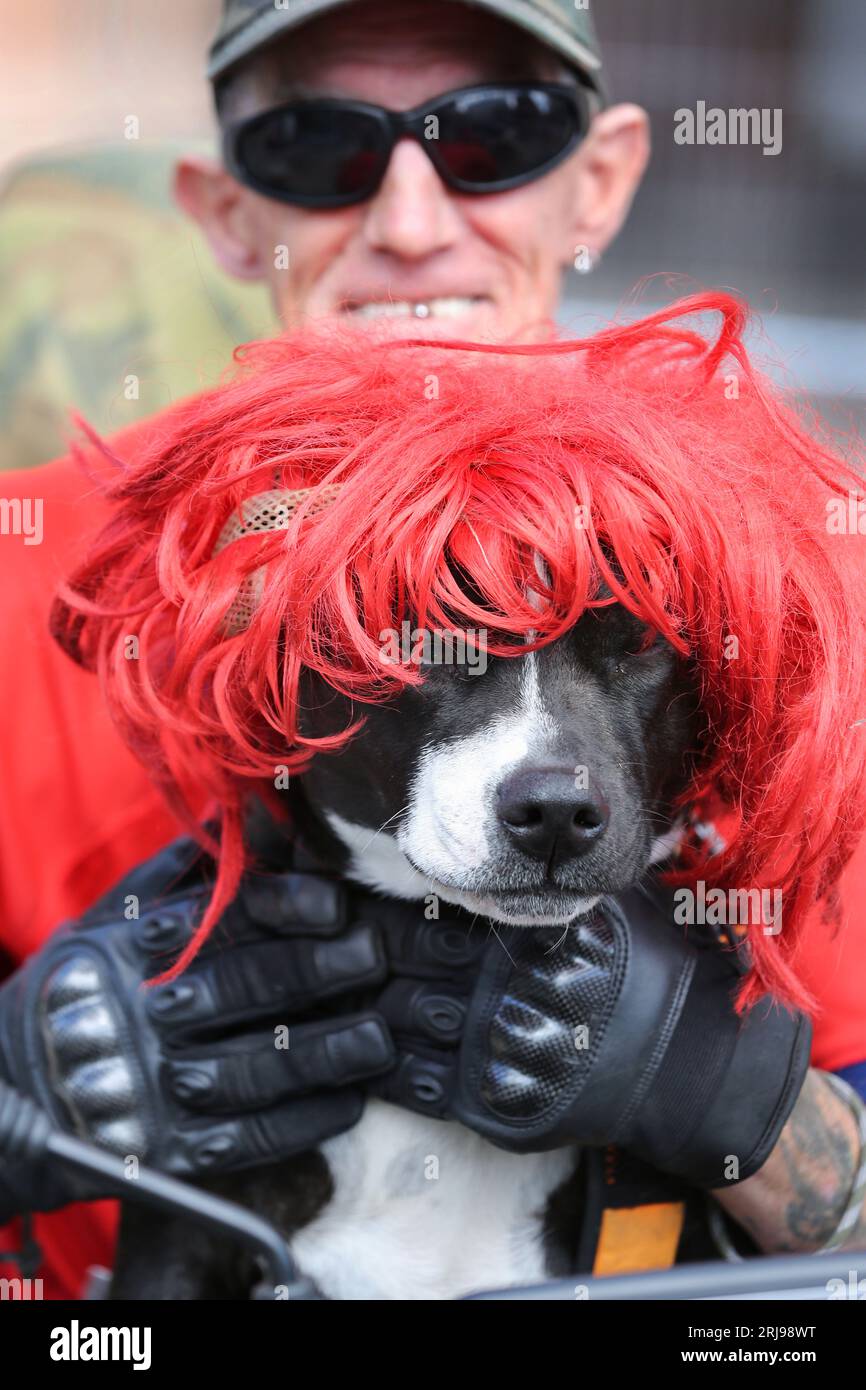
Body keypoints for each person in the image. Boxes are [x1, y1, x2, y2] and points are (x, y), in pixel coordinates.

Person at [1, 0, 864, 1298]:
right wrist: (19, 1101)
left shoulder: (793, 583)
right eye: (319, 147)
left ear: (602, 180)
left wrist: (723, 1090)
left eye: (493, 136)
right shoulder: (30, 580)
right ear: (226, 206)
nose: (410, 227)